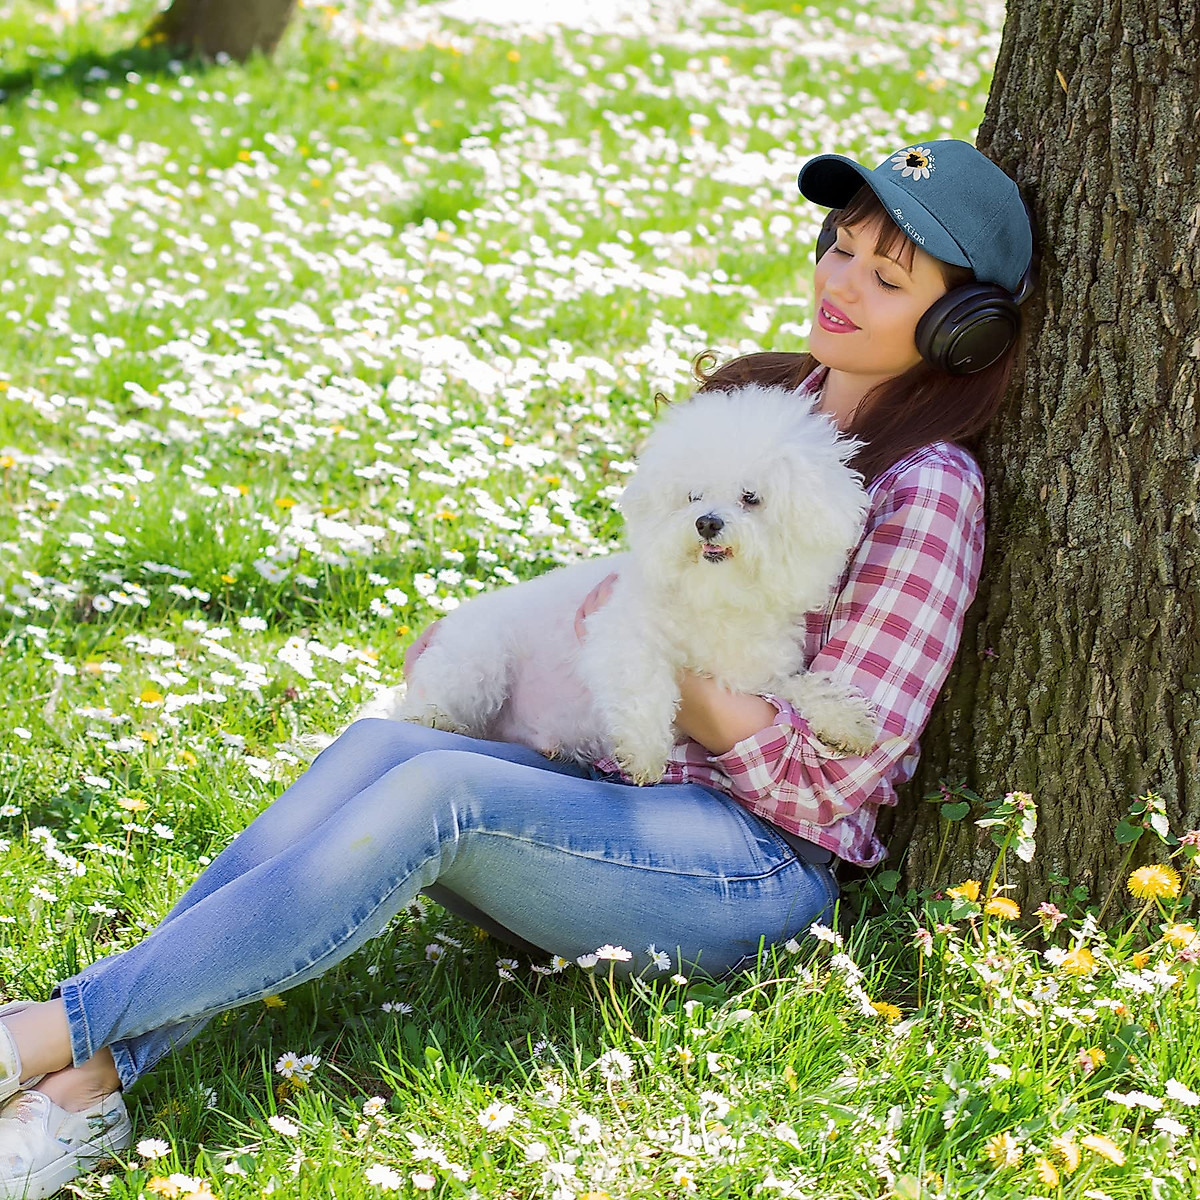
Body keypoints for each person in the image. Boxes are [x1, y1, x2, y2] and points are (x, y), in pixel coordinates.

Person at [0, 137, 1035, 1198]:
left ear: (963, 327)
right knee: (384, 748)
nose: (839, 283)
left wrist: (668, 656)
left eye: (886, 275)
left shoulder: (927, 488)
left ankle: (40, 1036)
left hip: (751, 863)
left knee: (441, 790)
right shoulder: (760, 409)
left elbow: (836, 777)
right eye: (839, 248)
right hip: (621, 795)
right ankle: (86, 1081)